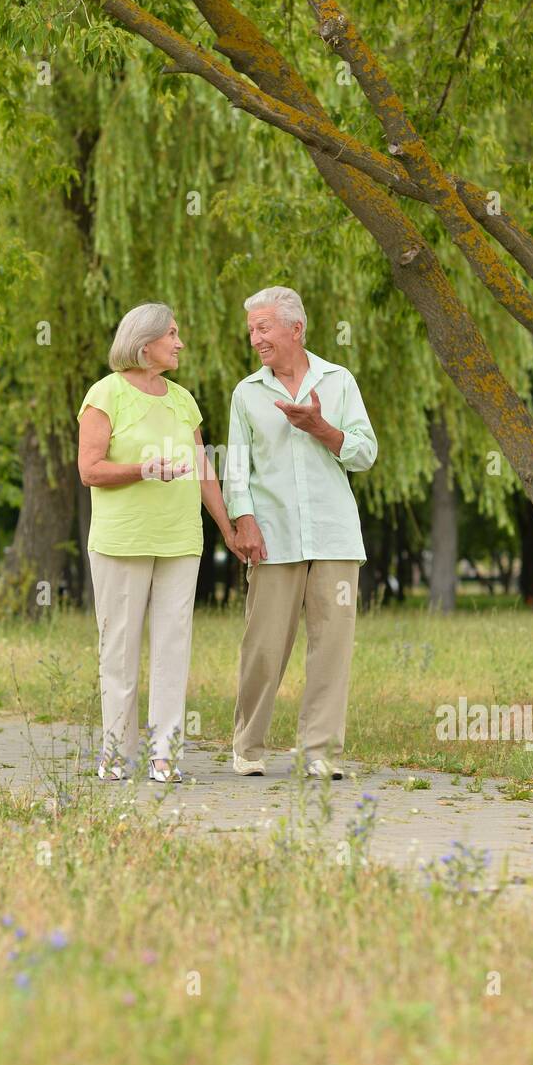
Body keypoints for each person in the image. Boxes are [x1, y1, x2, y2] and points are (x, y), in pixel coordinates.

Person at [78, 302, 242, 782]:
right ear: (144, 342)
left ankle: (164, 755)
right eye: (172, 334)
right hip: (121, 541)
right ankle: (116, 754)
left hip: (180, 540)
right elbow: (90, 470)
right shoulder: (104, 395)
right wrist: (141, 470)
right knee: (119, 650)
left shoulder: (182, 399)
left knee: (173, 647)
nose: (180, 342)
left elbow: (205, 472)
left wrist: (228, 529)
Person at [223, 286, 377, 778]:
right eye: (251, 330)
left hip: (334, 537)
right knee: (264, 647)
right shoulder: (247, 392)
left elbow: (365, 452)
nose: (255, 338)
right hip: (273, 537)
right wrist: (242, 520)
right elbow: (236, 469)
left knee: (332, 646)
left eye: (263, 327)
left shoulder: (339, 381)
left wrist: (322, 429)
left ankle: (320, 753)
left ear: (296, 328)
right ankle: (247, 747)